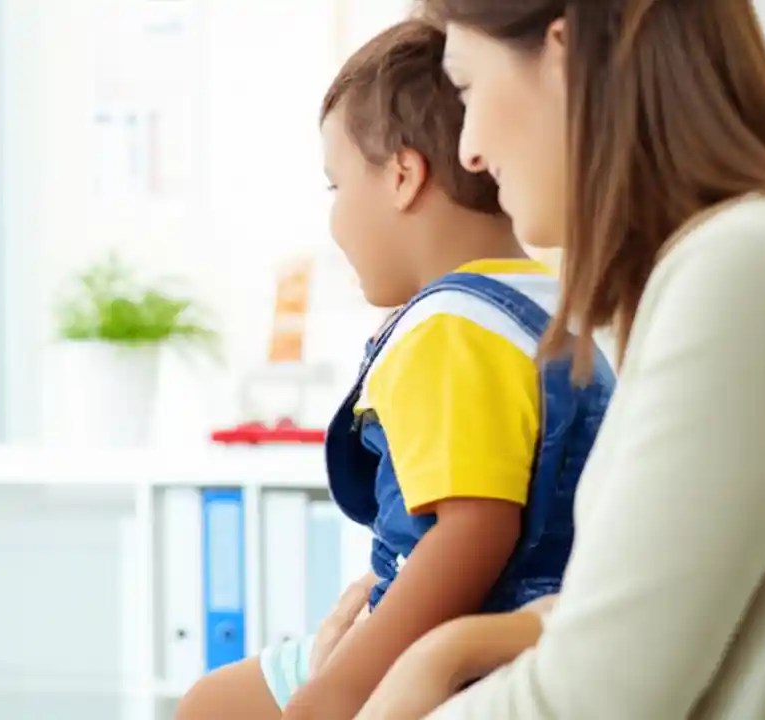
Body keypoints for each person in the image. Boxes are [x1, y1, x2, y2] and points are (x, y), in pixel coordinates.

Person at [358, 2, 765, 718]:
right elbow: (652, 607)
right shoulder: (731, 264)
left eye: (465, 88)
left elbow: (591, 700)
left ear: (564, 55)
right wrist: (457, 646)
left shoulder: (742, 268)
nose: (466, 148)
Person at [175, 21, 614, 720]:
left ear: (404, 178)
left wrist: (339, 692)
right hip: (545, 620)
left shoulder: (447, 328)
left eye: (336, 185)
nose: (336, 218)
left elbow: (473, 530)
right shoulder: (554, 303)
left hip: (465, 644)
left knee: (209, 705)